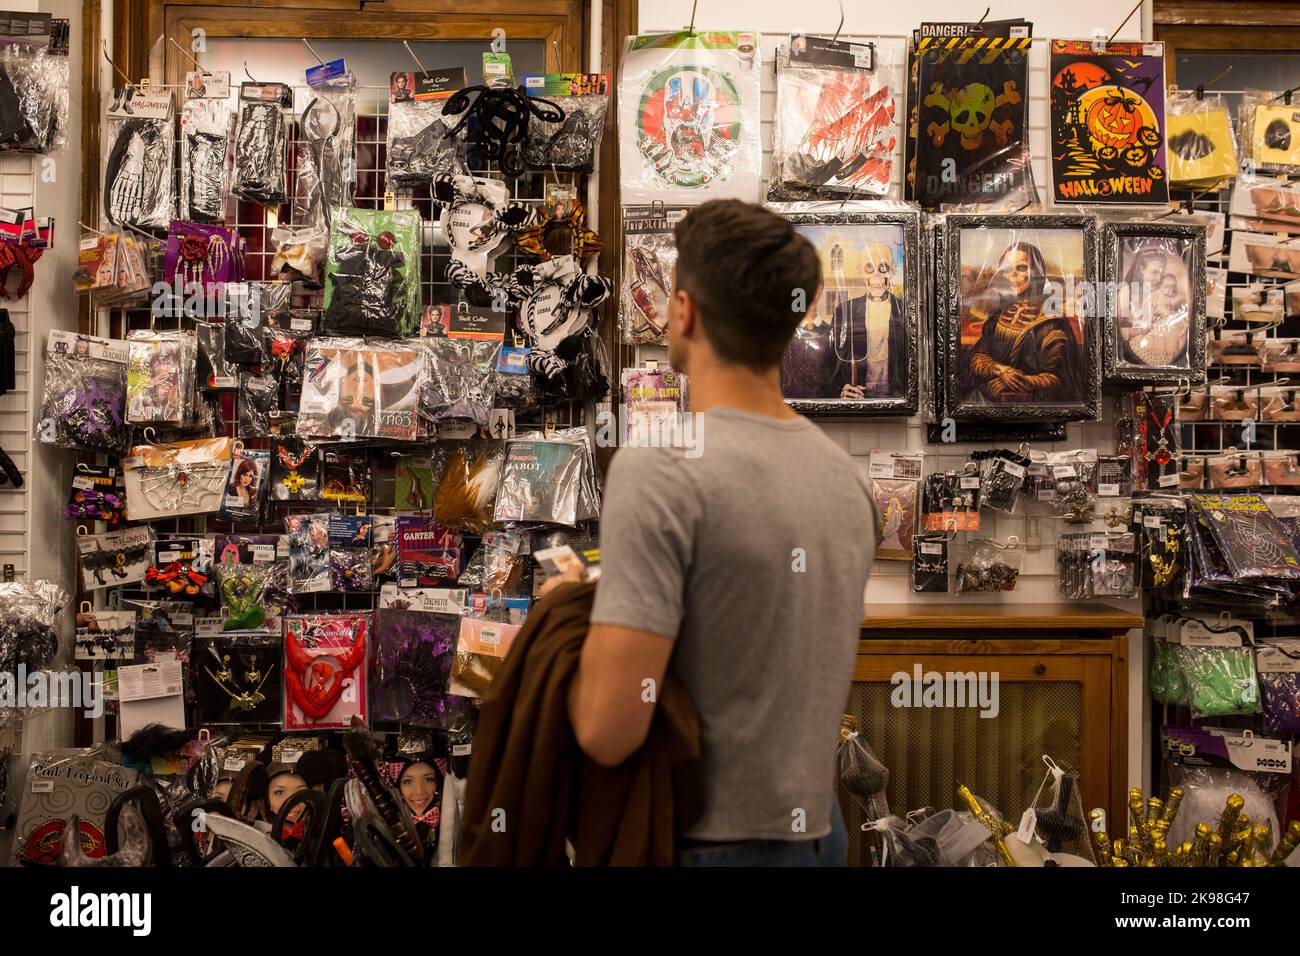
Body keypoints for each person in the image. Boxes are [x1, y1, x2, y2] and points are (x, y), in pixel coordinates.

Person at [544, 200, 874, 866]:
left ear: (684, 311)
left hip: (701, 841)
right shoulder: (846, 480)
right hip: (819, 837)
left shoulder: (660, 466)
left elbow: (609, 731)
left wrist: (565, 618)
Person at [963, 241, 1083, 404]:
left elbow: (1061, 378)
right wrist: (1000, 371)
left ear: (1036, 273)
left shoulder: (1052, 322)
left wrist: (1020, 382)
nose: (1012, 276)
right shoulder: (997, 318)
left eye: (1021, 268)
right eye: (1006, 270)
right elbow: (979, 355)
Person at [828, 241, 908, 399]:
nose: (877, 276)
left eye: (883, 268)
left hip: (895, 400)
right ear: (860, 272)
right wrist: (839, 391)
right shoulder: (845, 311)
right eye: (869, 268)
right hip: (857, 400)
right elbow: (832, 363)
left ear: (892, 272)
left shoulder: (904, 310)